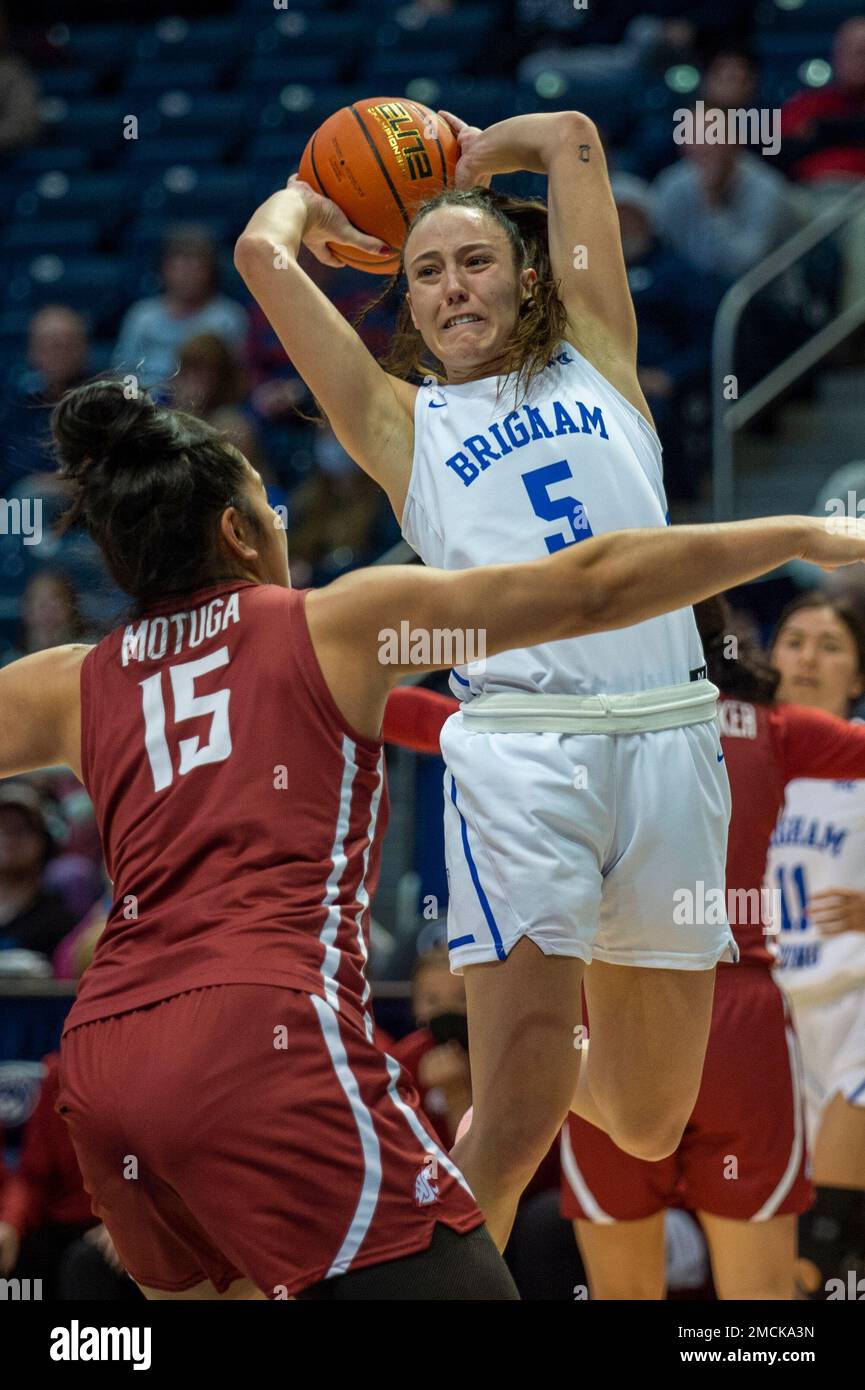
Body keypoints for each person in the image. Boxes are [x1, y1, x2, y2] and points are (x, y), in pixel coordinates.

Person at [1, 381, 837, 1298]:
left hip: (102, 1059)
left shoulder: (66, 680)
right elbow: (594, 587)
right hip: (259, 1032)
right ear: (240, 533)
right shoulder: (335, 622)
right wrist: (798, 537)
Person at [232, 107, 865, 1252]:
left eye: (475, 260)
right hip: (524, 752)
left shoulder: (600, 356)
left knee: (644, 1112)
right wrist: (318, 210)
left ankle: (479, 1060)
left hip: (675, 741)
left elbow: (571, 138)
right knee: (518, 1115)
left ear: (531, 279)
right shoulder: (400, 426)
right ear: (408, 302)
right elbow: (260, 258)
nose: (451, 287)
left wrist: (462, 155)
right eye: (426, 274)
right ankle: (412, 1264)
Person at [561, 592, 865, 1300]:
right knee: (761, 1314)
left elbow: (432, 722)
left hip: (612, 1013)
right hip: (743, 1020)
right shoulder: (774, 728)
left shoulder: (574, 720)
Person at [766, 592, 865, 1297]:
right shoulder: (734, 758)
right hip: (774, 1020)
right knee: (786, 1250)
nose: (805, 657)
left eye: (828, 645)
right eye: (793, 640)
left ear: (857, 675)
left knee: (821, 1242)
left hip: (857, 1004)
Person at [112, 225, 247, 391]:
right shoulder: (142, 315)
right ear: (164, 270)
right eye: (180, 268)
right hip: (147, 405)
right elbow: (124, 370)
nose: (187, 276)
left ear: (211, 272)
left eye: (195, 268)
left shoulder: (228, 317)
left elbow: (236, 376)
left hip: (206, 407)